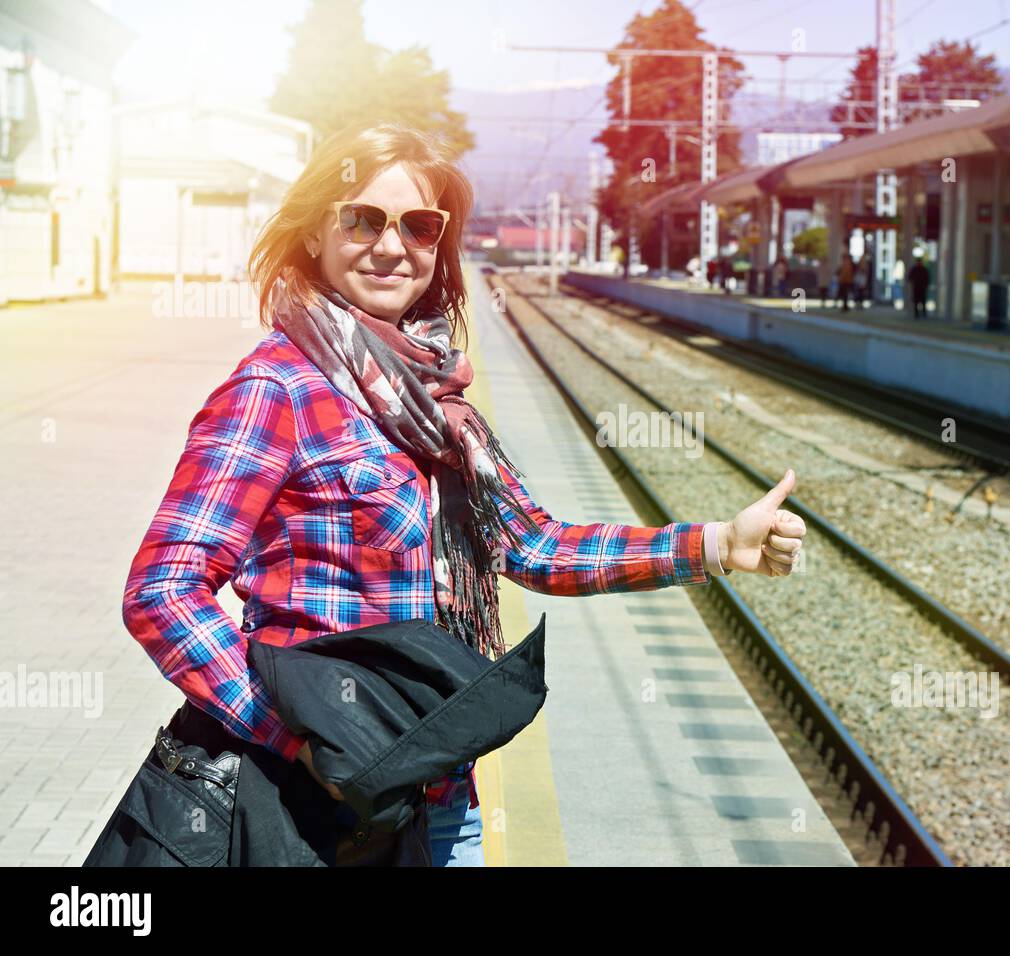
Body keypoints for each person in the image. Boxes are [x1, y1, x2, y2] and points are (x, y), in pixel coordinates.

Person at [111, 122, 809, 867]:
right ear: (314, 232)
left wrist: (711, 545)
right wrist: (299, 743)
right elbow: (162, 590)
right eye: (362, 219)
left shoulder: (441, 402)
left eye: (418, 225)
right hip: (308, 812)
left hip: (442, 805)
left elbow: (534, 546)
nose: (391, 245)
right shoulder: (275, 388)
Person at [837, 246, 856, 312]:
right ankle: (845, 306)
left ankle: (845, 306)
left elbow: (841, 272)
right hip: (847, 280)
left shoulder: (845, 264)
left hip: (845, 281)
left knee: (845, 294)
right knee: (846, 294)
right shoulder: (848, 263)